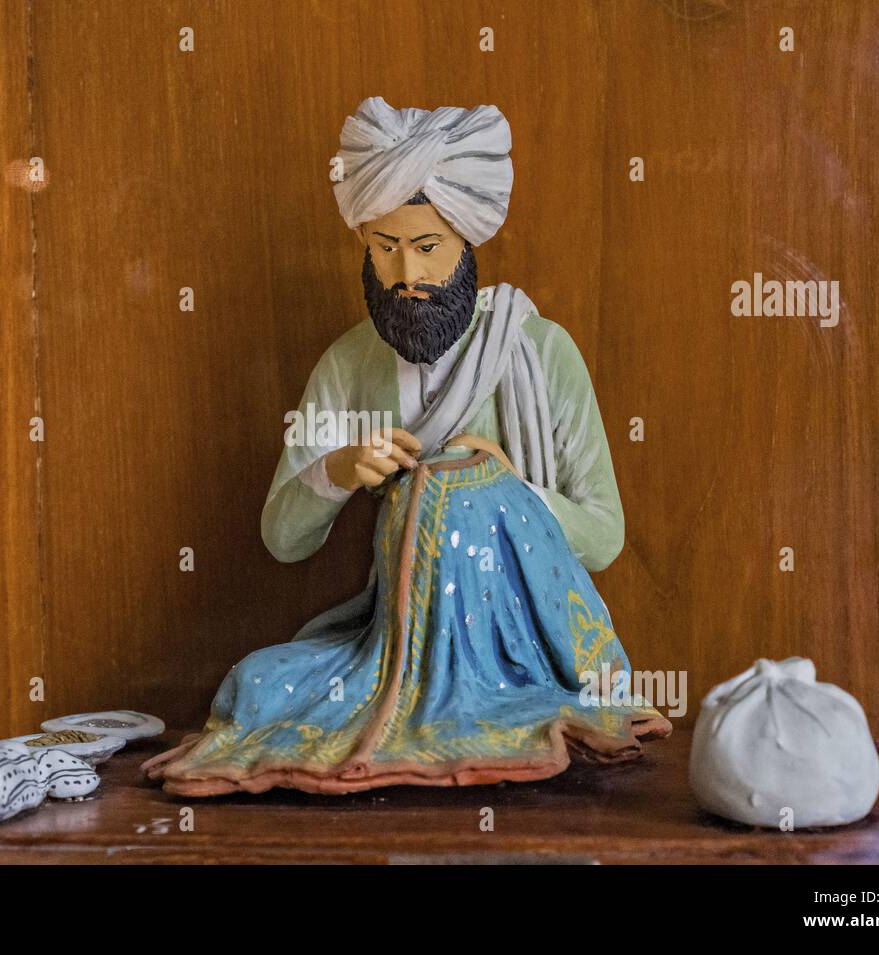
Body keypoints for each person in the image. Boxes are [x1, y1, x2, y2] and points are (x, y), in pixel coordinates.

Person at [142, 97, 670, 796]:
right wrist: (336, 469)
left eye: (427, 247)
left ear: (466, 239)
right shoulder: (348, 364)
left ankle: (485, 714)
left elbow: (602, 536)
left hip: (517, 646)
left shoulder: (538, 353)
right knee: (254, 686)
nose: (406, 274)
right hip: (391, 645)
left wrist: (510, 487)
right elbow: (282, 537)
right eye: (384, 246)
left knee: (527, 685)